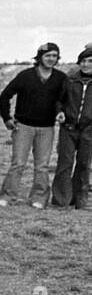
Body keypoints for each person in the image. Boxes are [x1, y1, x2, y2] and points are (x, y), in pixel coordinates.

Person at [0, 43, 67, 208]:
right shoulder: (25, 76)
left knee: (42, 166)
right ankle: (7, 196)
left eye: (55, 56)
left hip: (47, 128)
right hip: (23, 127)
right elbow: (5, 96)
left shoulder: (60, 78)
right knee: (18, 163)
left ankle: (39, 198)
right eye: (48, 55)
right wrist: (7, 118)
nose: (51, 59)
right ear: (40, 57)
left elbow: (63, 100)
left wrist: (61, 112)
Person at [51, 46, 92, 210]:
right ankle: (61, 201)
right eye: (83, 61)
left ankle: (79, 200)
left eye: (90, 61)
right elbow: (59, 100)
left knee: (83, 164)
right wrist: (60, 112)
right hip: (69, 128)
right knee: (65, 163)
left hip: (89, 129)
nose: (86, 64)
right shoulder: (70, 80)